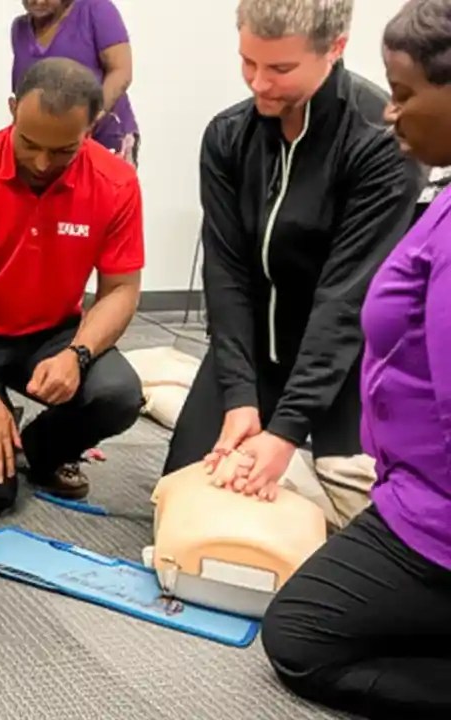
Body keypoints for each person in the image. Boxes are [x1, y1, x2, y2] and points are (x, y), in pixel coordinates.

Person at [261, 2, 451, 716]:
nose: (391, 114)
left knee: (298, 639)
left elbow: (345, 304)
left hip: (436, 516)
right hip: (414, 486)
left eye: (403, 95)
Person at [163, 0, 423, 519]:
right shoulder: (227, 136)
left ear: (336, 49)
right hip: (255, 347)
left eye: (280, 68)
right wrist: (240, 396)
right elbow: (227, 272)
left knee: (371, 521)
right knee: (188, 493)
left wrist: (285, 430)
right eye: (248, 62)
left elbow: (344, 301)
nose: (258, 83)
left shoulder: (378, 145)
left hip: (347, 357)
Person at [0, 57, 144, 518]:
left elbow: (121, 290)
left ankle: (38, 447)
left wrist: (77, 355)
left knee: (118, 393)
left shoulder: (116, 183)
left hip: (49, 334)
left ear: (91, 127)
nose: (42, 163)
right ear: (13, 108)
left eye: (62, 151)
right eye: (30, 143)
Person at [11, 0, 139, 166]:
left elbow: (121, 71)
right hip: (51, 146)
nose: (38, 1)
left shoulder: (96, 9)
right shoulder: (20, 29)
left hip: (103, 136)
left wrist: (90, 119)